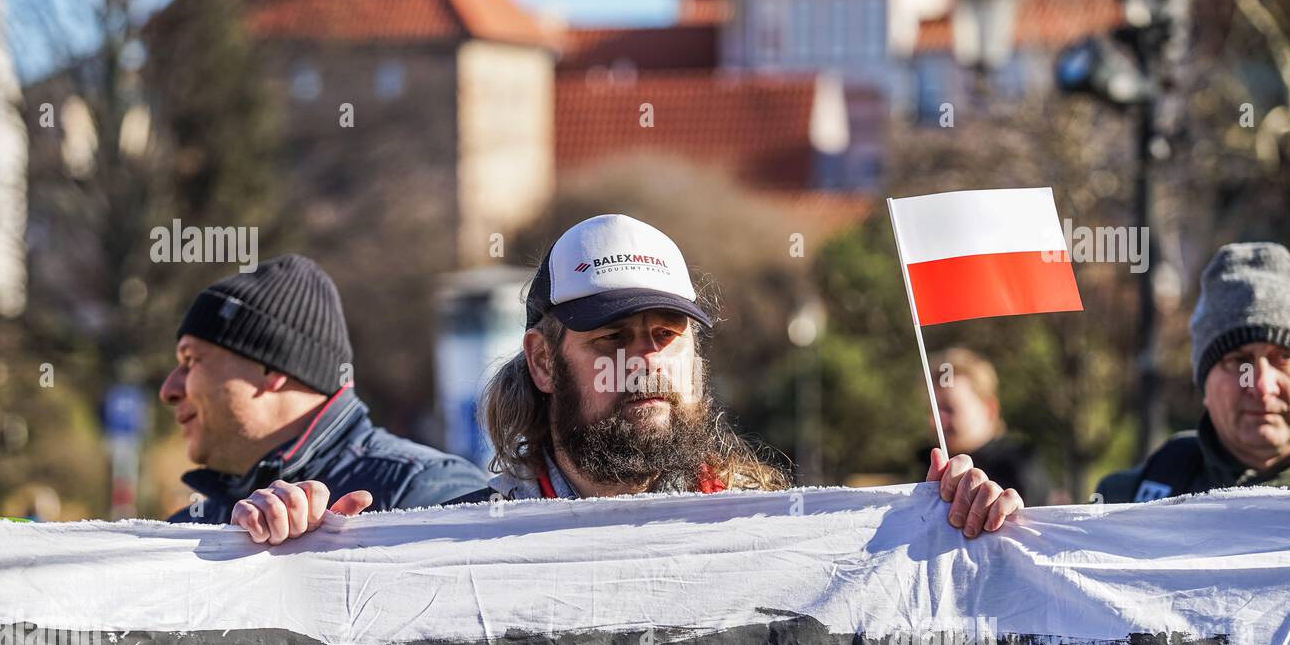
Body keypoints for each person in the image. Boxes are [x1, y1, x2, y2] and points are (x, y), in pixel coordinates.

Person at [231, 215, 1023, 543]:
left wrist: (965, 533)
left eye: (664, 336)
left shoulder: (780, 534)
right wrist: (298, 551)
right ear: (543, 361)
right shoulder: (457, 537)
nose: (643, 360)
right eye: (612, 336)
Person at [161, 253, 488, 524]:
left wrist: (328, 569)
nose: (169, 390)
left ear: (272, 368)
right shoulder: (190, 529)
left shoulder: (432, 492)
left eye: (191, 359)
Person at [1096, 242, 1290, 502]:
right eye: (1238, 360)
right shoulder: (1124, 503)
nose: (1261, 385)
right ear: (1204, 384)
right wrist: (1028, 530)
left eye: (1284, 358)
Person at [915, 348, 1050, 506]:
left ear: (989, 409)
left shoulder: (1020, 471)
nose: (935, 421)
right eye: (932, 410)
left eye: (949, 409)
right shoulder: (924, 466)